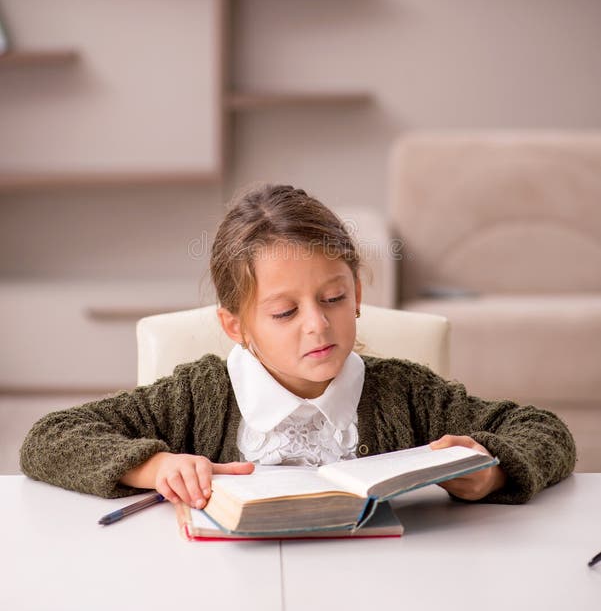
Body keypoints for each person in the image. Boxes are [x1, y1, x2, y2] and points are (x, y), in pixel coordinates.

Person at [20, 183, 576, 509]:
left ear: (357, 294)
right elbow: (48, 439)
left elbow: (546, 432)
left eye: (333, 298)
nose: (318, 325)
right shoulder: (196, 396)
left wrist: (493, 471)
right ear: (235, 326)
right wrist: (153, 465)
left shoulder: (406, 393)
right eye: (285, 312)